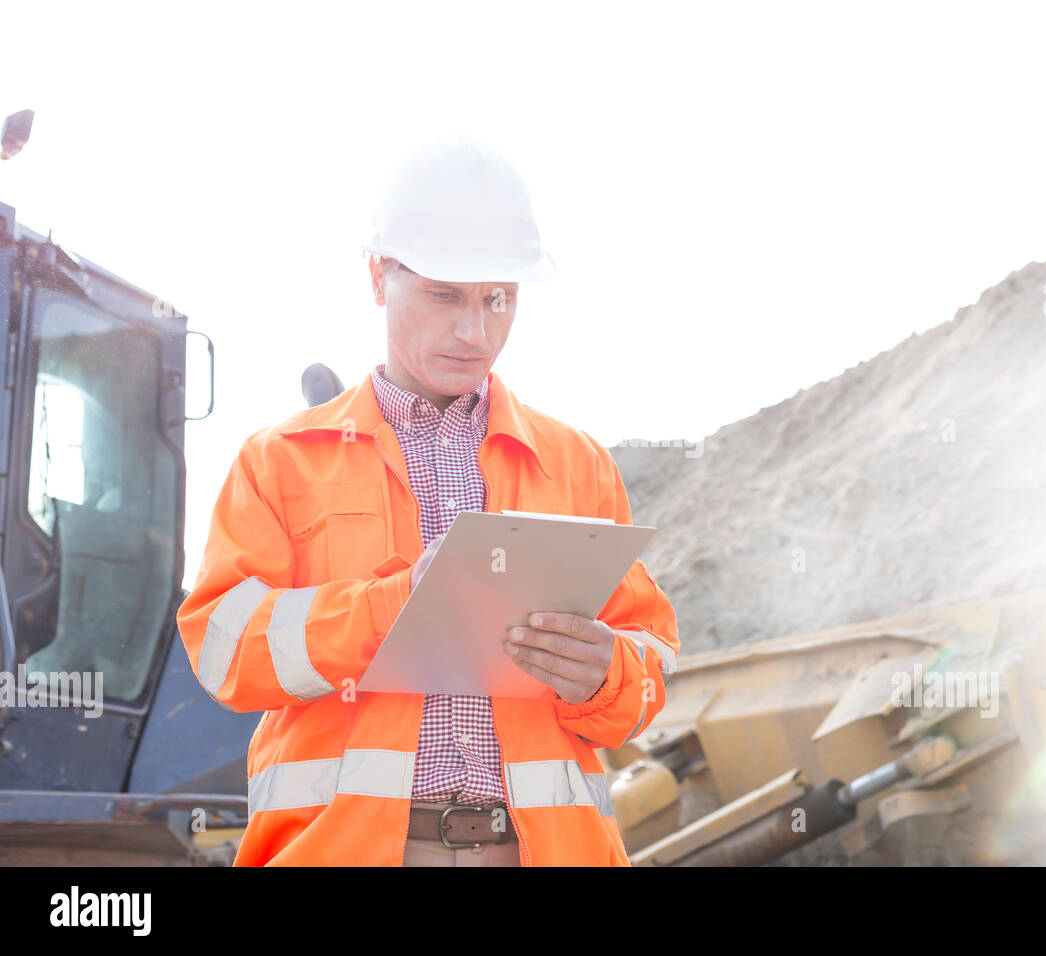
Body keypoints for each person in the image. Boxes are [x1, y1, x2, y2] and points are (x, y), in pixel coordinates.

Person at [175, 138, 679, 866]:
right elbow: (225, 653)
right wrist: (395, 605)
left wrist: (605, 674)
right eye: (445, 295)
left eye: (498, 300)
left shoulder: (576, 464)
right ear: (379, 277)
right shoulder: (279, 462)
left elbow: (650, 661)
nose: (475, 332)